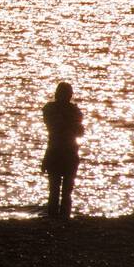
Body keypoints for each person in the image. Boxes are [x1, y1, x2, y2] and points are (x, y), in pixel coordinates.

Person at [42, 82, 84, 220]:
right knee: (64, 190)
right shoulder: (73, 112)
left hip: (56, 151)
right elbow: (79, 132)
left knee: (56, 189)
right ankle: (63, 217)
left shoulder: (50, 109)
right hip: (67, 152)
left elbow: (77, 131)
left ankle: (55, 217)